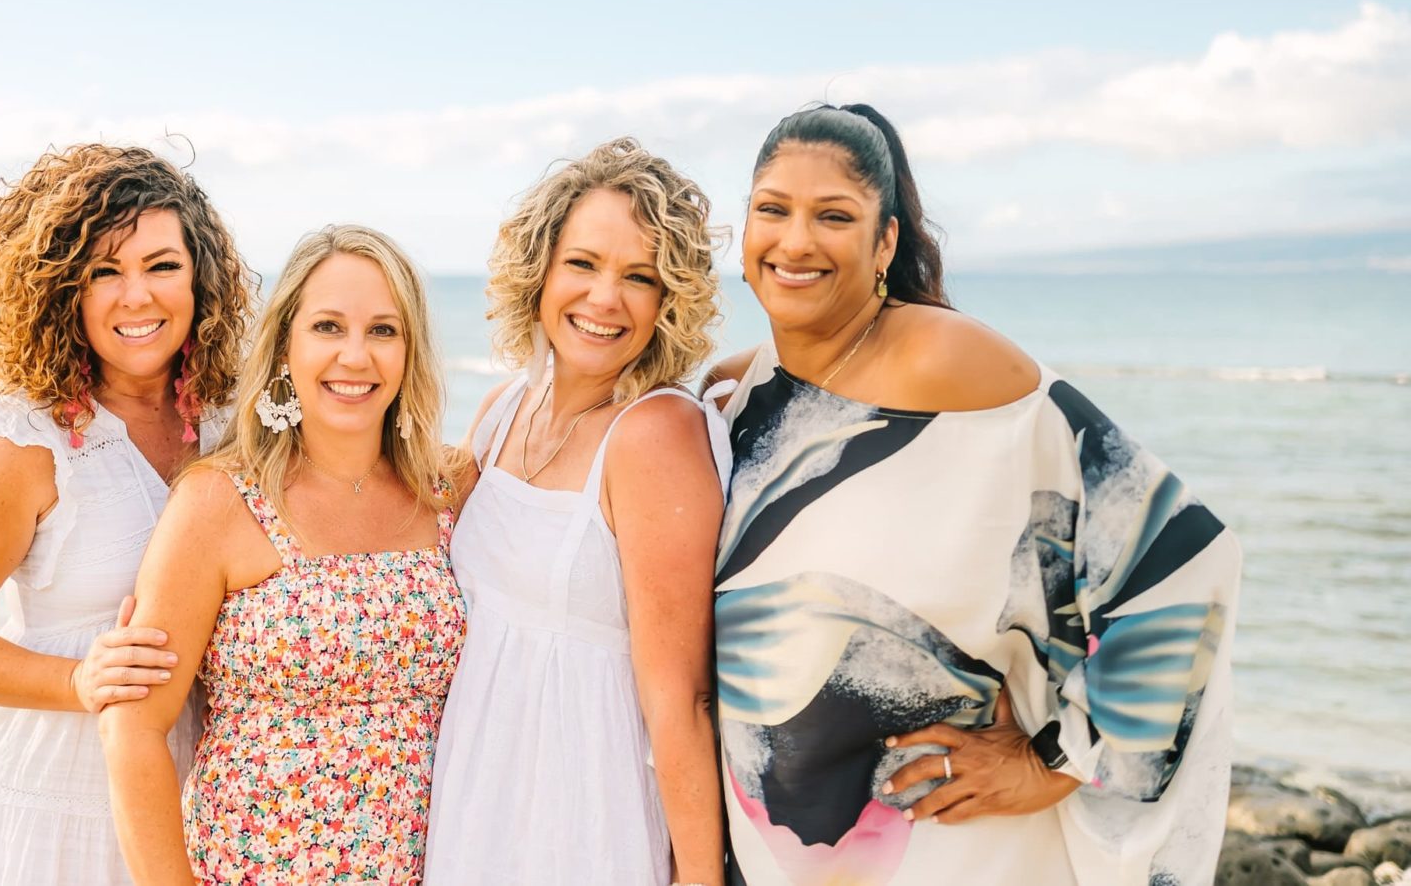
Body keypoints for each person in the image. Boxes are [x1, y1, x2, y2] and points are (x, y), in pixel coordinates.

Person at [705, 104, 1240, 886]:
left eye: (833, 216)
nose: (794, 240)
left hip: (951, 852)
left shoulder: (949, 366)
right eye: (772, 209)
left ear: (884, 240)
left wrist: (1052, 761)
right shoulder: (743, 390)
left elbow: (1185, 558)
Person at [0, 144, 253, 886]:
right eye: (103, 272)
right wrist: (77, 681)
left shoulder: (237, 423)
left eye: (161, 265)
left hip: (200, 800)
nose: (137, 297)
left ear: (201, 276)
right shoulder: (29, 441)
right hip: (49, 802)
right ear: (63, 289)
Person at [100, 224, 468, 885]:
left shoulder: (447, 492)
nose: (355, 356)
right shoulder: (219, 500)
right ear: (285, 346)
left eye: (383, 330)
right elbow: (133, 728)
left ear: (410, 352)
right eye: (328, 326)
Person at [425, 138, 729, 886]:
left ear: (668, 302)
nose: (603, 299)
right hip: (473, 802)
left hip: (583, 818)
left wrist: (699, 879)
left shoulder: (654, 435)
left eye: (639, 277)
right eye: (584, 264)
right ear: (541, 269)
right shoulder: (501, 411)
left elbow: (680, 699)